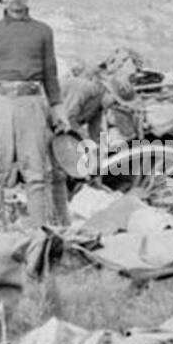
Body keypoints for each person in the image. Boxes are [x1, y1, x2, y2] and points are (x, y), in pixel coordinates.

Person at [0, 0, 67, 230]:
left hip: (31, 104)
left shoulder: (43, 31)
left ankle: (38, 235)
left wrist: (58, 108)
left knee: (35, 172)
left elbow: (50, 74)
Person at [49, 59, 109, 226]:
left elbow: (96, 134)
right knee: (57, 171)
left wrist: (98, 167)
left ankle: (65, 212)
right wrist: (85, 152)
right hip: (47, 122)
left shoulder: (99, 105)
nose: (114, 105)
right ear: (107, 92)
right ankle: (55, 215)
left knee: (70, 171)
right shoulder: (82, 89)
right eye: (114, 100)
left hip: (63, 129)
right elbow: (66, 120)